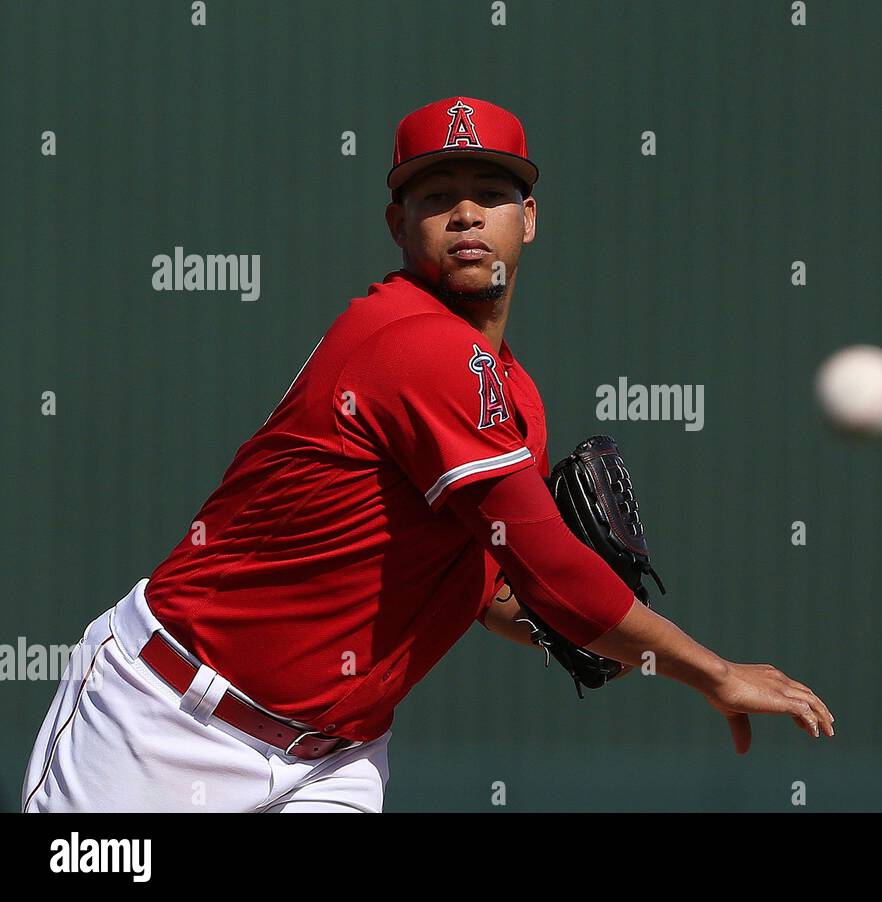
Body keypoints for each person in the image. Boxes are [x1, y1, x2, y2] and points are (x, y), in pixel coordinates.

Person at [21, 96, 834, 813]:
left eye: (492, 193)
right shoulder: (417, 347)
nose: (468, 214)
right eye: (438, 197)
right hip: (167, 724)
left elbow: (490, 590)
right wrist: (711, 670)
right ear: (398, 225)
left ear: (530, 218)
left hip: (334, 759)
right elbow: (549, 561)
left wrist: (562, 624)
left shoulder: (512, 392)